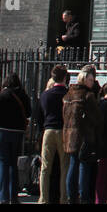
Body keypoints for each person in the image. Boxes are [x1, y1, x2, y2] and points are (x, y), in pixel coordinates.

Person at [0, 73, 30, 204]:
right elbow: (28, 112)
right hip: (17, 132)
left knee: (3, 163)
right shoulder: (23, 96)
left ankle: (3, 196)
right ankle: (14, 196)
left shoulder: (1, 96)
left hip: (1, 132)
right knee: (13, 163)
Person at [63, 64, 101, 204]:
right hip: (85, 136)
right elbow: (97, 117)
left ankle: (71, 196)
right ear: (85, 79)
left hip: (71, 135)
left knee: (73, 165)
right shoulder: (88, 96)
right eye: (91, 80)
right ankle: (83, 196)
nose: (92, 82)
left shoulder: (68, 95)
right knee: (84, 166)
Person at [38, 64, 69, 204]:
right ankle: (63, 198)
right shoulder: (67, 94)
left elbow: (41, 113)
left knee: (45, 167)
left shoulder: (45, 94)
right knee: (64, 166)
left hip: (48, 130)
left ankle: (43, 198)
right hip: (62, 130)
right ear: (65, 78)